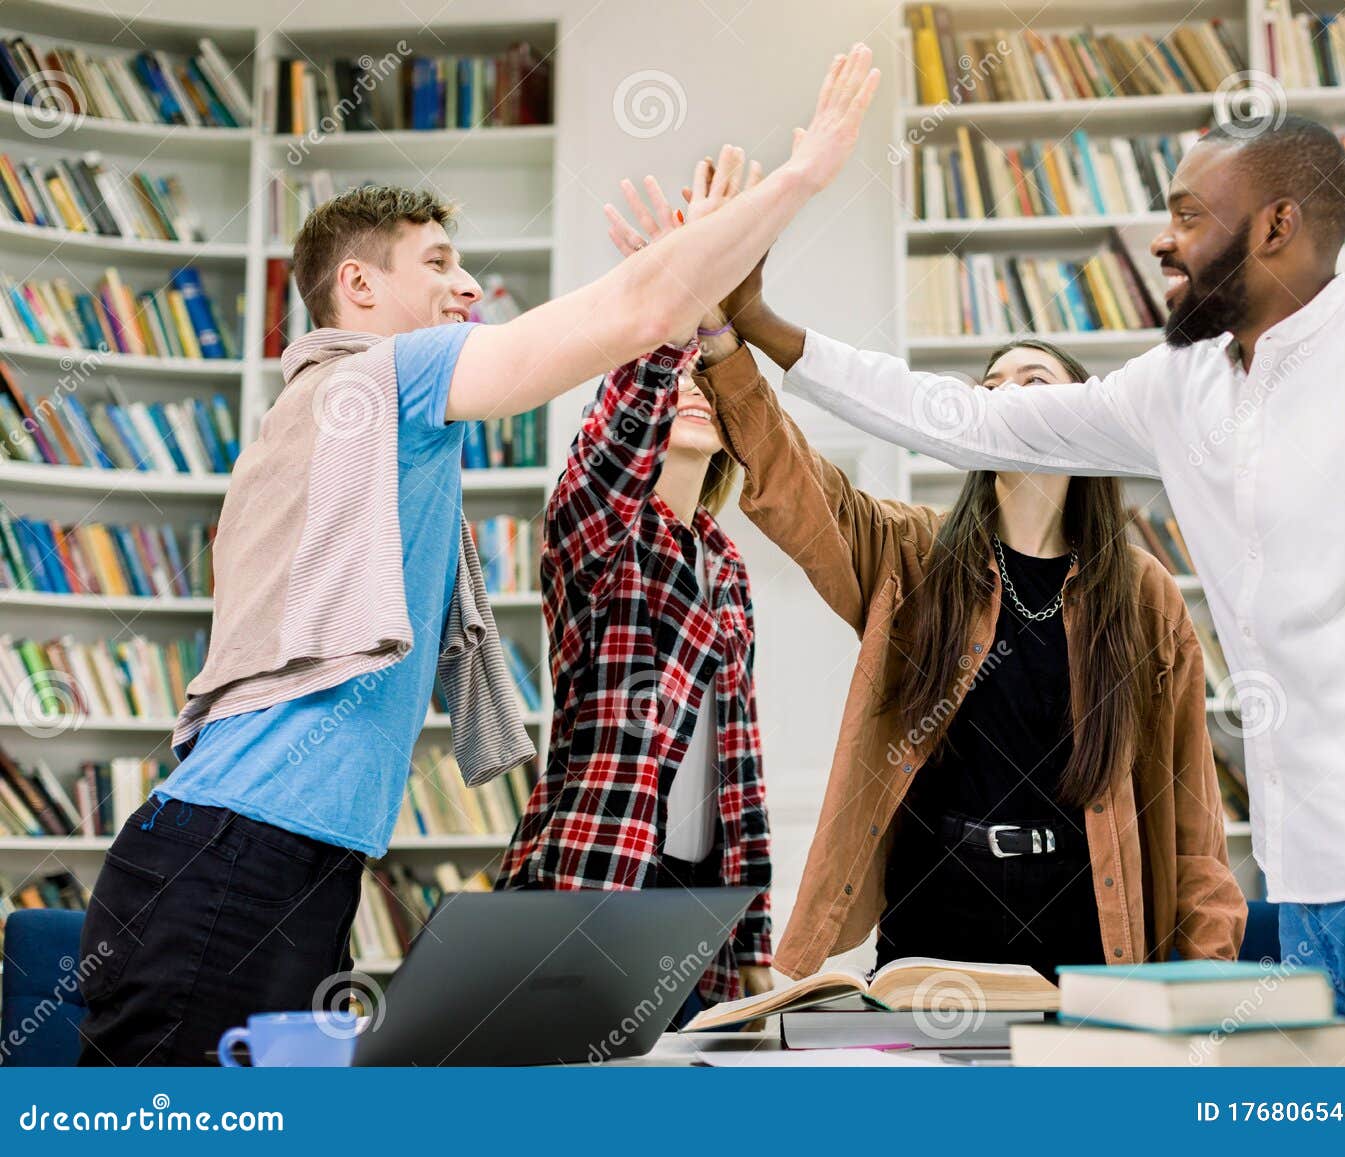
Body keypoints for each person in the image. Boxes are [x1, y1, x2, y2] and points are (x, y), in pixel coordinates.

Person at [75, 44, 880, 1066]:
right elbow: (620, 325)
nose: (468, 287)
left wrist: (679, 286)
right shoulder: (374, 380)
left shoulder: (363, 424)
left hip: (288, 857)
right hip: (235, 852)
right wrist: (794, 182)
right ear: (357, 284)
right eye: (439, 265)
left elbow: (633, 326)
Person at [745, 112, 1345, 1064]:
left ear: (1277, 226)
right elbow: (963, 421)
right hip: (1305, 898)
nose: (1161, 239)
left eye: (1189, 215)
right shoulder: (1183, 386)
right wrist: (768, 329)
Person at [606, 195, 1246, 978]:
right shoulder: (914, 552)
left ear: (1081, 419)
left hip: (1089, 927)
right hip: (938, 915)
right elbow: (797, 484)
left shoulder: (1144, 593)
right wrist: (722, 339)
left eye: (1035, 378)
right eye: (991, 384)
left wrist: (1207, 985)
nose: (1006, 394)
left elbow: (1193, 825)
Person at [497, 156, 774, 1028]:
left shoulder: (726, 565)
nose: (691, 389)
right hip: (591, 888)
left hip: (700, 921)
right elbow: (611, 446)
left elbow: (742, 761)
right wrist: (674, 314)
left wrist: (755, 940)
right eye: (677, 379)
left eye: (705, 380)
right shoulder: (597, 530)